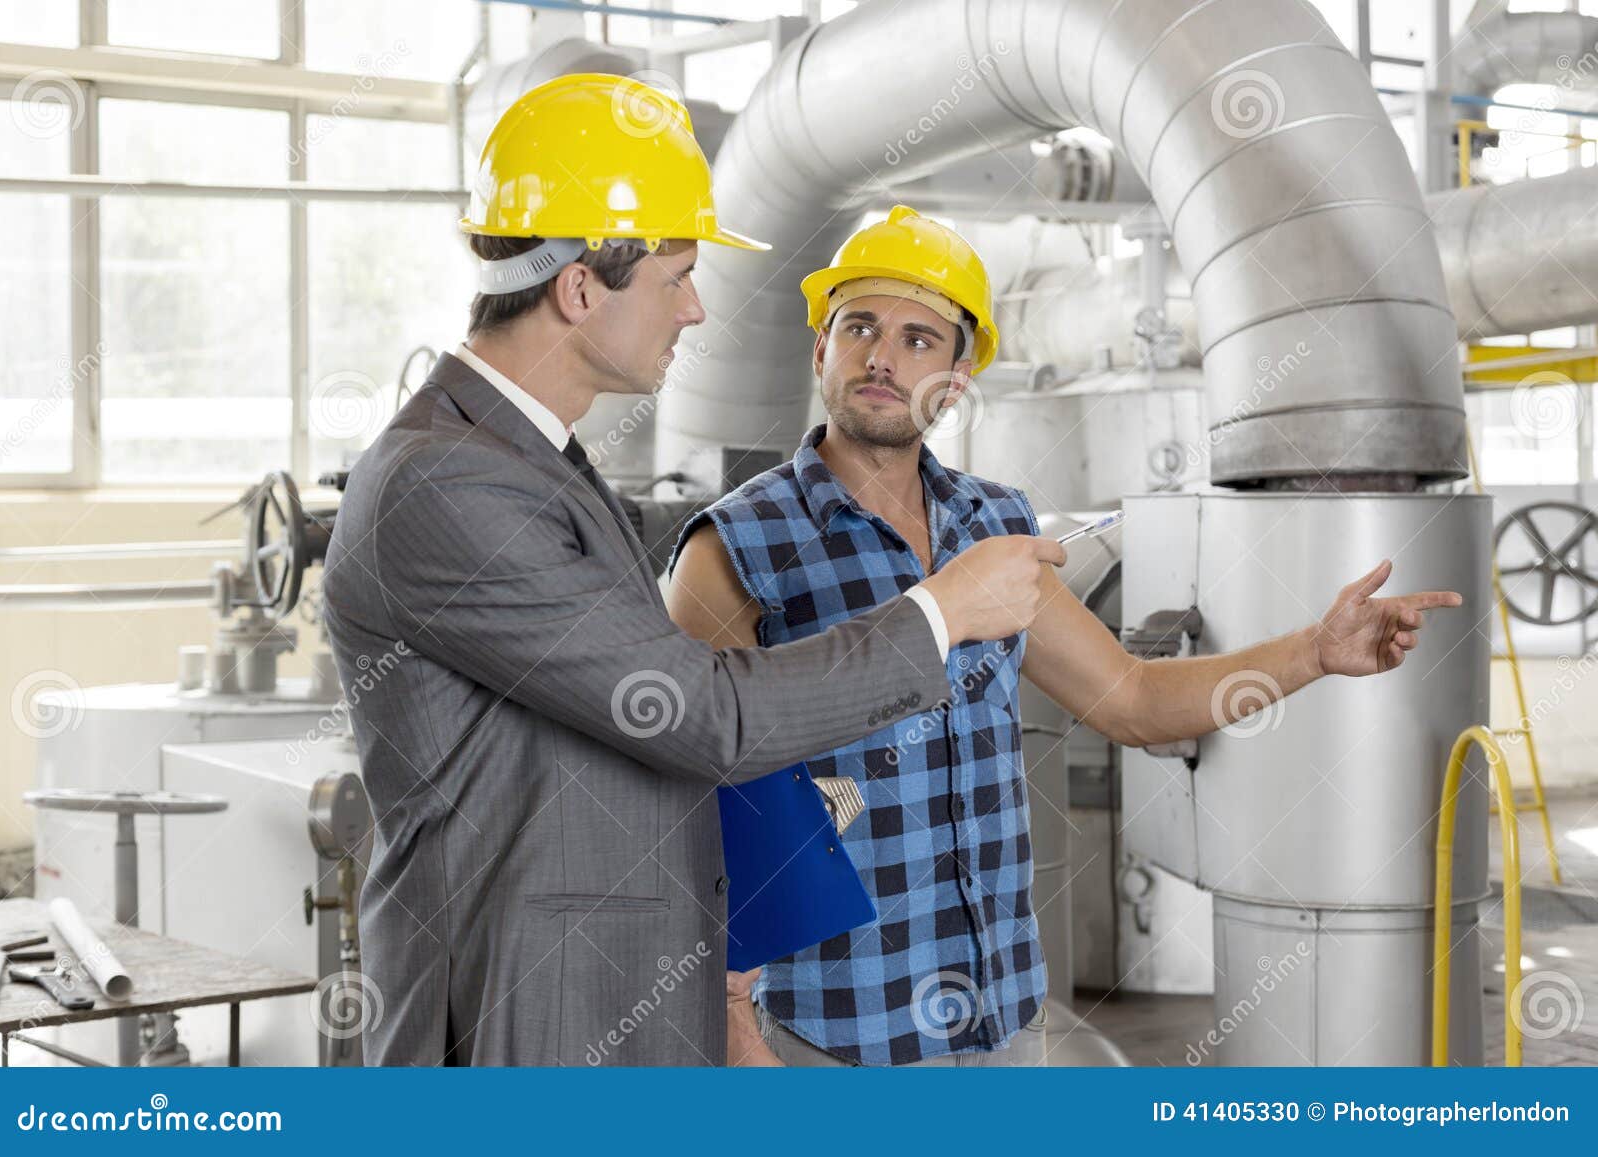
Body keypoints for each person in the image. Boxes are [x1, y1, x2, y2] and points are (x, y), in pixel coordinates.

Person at [319, 80, 1065, 1067]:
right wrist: (942, 609)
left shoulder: (536, 460)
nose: (696, 307)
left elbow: (611, 677)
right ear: (581, 286)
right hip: (521, 1013)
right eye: (676, 275)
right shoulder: (448, 482)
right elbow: (700, 714)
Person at [666, 205, 1464, 1068]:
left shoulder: (994, 523)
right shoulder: (735, 546)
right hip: (831, 1030)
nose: (882, 357)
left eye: (920, 339)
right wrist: (730, 1023)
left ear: (959, 377)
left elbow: (1132, 698)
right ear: (820, 347)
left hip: (1006, 1016)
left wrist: (1314, 650)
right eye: (858, 326)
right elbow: (674, 797)